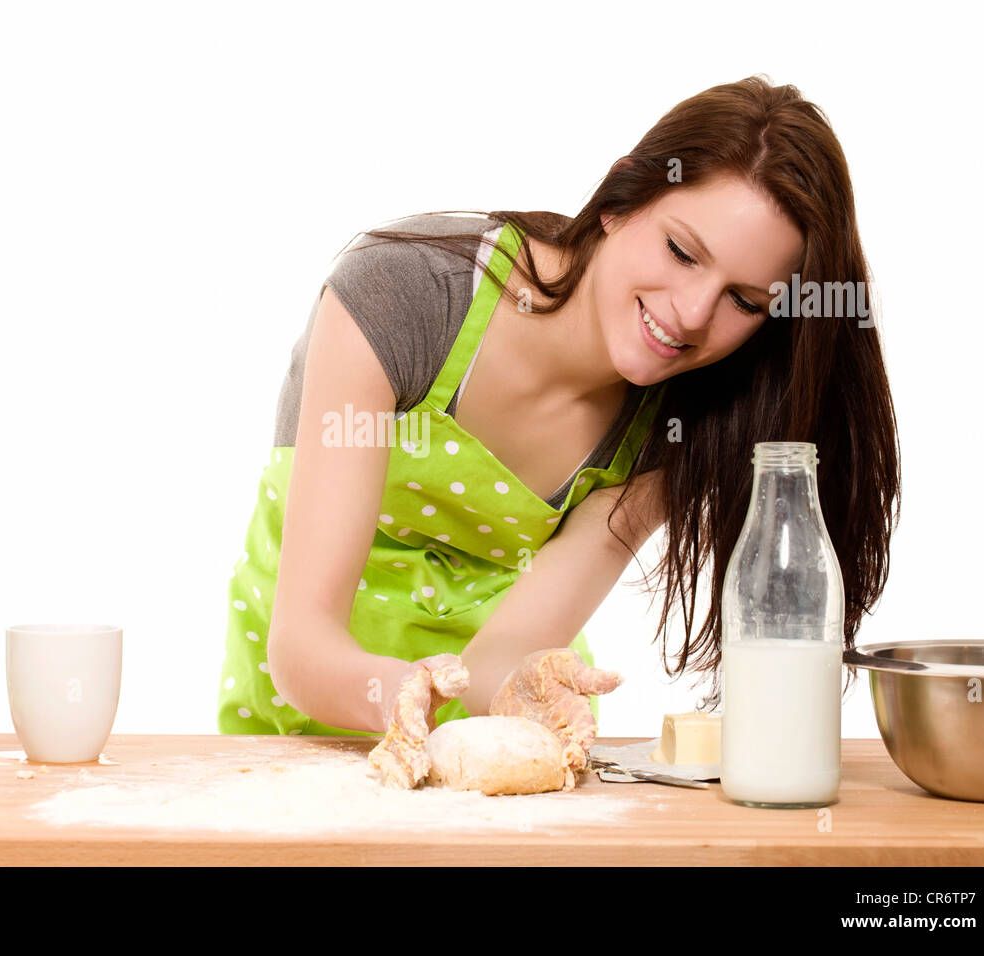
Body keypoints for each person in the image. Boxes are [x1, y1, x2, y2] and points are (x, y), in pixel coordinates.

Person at [216, 75, 900, 788]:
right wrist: (400, 694)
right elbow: (302, 647)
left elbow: (491, 665)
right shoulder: (406, 297)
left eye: (743, 299)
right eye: (682, 251)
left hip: (491, 752)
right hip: (305, 732)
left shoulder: (669, 430)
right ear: (617, 203)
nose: (694, 313)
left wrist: (515, 696)